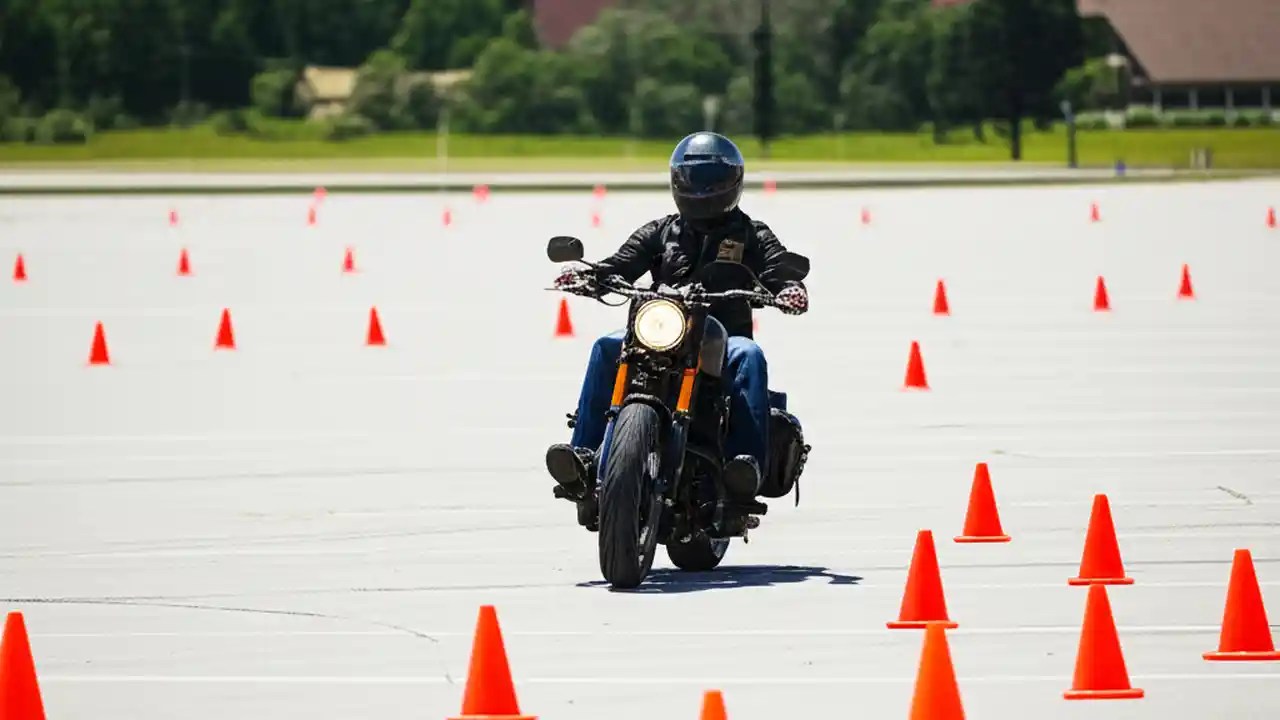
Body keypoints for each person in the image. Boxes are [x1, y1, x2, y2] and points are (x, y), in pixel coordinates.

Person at [545, 131, 809, 509]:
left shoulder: (751, 233)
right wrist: (589, 274)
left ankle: (744, 465)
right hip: (661, 329)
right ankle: (583, 457)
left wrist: (789, 288)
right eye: (693, 179)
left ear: (731, 182)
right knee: (605, 347)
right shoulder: (661, 230)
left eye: (711, 180)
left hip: (722, 337)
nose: (701, 189)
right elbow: (622, 262)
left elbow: (776, 265)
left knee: (749, 355)